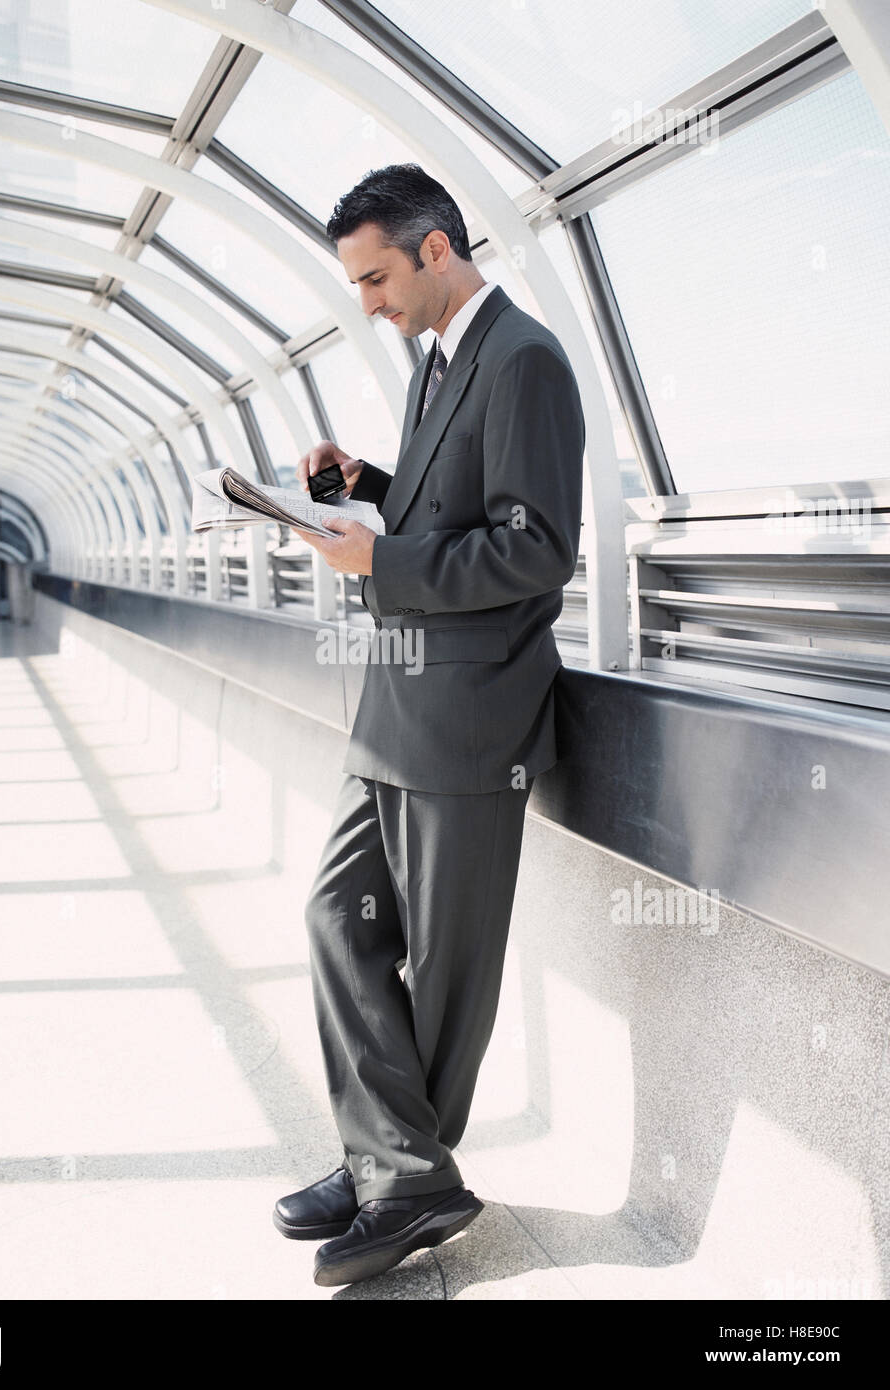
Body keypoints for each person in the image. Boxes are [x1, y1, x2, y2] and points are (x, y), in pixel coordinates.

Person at [277, 164, 585, 1288]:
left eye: (375, 279)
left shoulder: (527, 361)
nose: (368, 303)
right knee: (334, 918)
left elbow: (536, 546)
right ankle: (389, 1164)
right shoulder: (439, 362)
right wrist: (368, 482)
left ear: (438, 249)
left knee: (446, 969)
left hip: (470, 715)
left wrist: (384, 559)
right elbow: (453, 504)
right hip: (399, 702)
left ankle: (402, 1175)